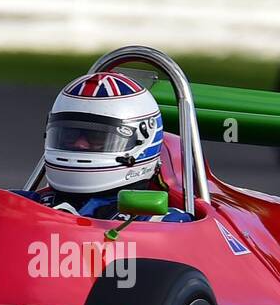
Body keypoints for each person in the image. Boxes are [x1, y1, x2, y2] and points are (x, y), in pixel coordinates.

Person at [18, 71, 193, 221]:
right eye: (69, 135)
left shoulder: (161, 221)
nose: (80, 145)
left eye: (95, 137)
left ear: (142, 141)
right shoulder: (25, 205)